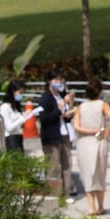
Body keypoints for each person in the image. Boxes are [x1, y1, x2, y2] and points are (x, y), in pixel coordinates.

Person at [73, 78, 110, 217]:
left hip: (84, 142)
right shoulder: (103, 104)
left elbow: (76, 126)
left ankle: (91, 207)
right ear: (100, 92)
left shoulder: (81, 107)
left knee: (87, 174)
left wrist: (90, 131)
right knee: (100, 173)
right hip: (99, 140)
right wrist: (106, 133)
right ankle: (100, 206)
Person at [37, 69, 77, 198]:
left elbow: (65, 117)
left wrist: (70, 106)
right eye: (56, 80)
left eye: (60, 80)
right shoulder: (45, 98)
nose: (59, 82)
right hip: (51, 137)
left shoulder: (60, 95)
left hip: (64, 134)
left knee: (67, 165)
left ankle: (66, 194)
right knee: (53, 167)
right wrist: (61, 107)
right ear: (49, 81)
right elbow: (45, 119)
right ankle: (53, 195)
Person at [0, 80, 40, 153]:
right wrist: (23, 118)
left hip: (18, 137)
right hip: (11, 139)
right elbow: (9, 127)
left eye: (22, 93)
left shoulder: (15, 107)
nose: (21, 95)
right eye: (20, 93)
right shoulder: (5, 107)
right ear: (12, 91)